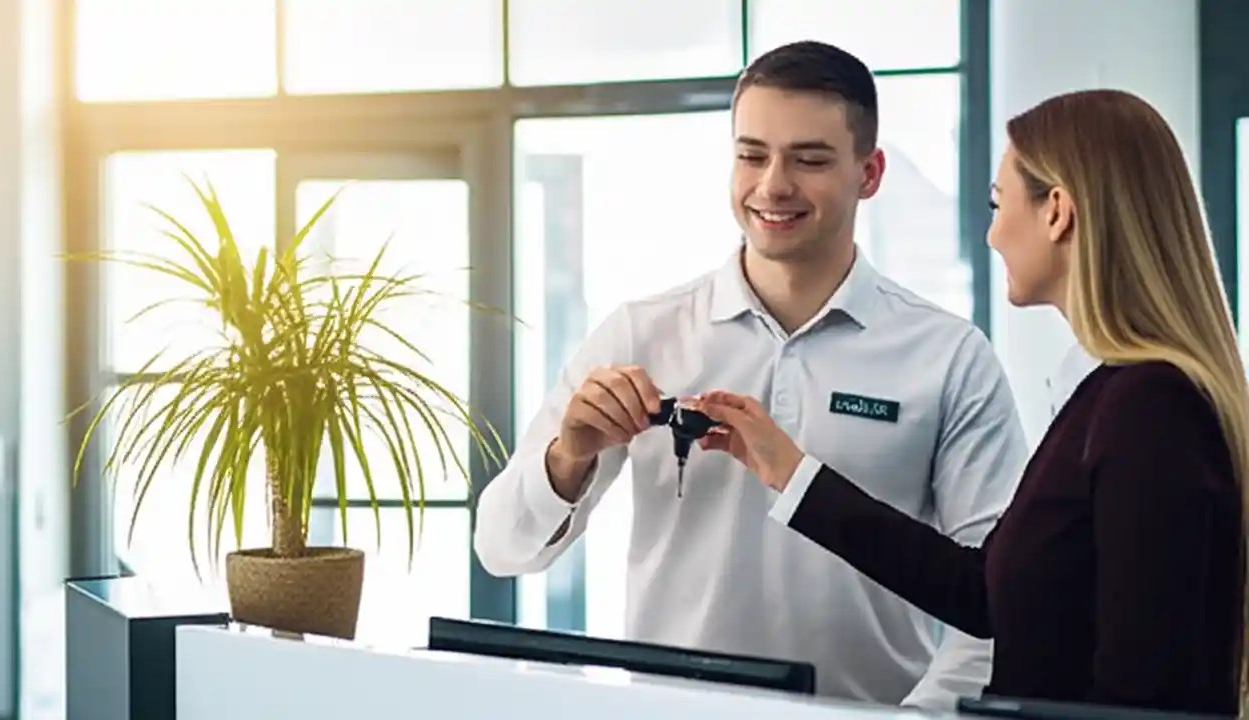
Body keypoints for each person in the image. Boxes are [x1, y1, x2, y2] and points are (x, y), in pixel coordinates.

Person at [472, 41, 1029, 710]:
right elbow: (502, 549)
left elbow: (1001, 603)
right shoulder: (639, 333)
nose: (772, 185)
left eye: (810, 159)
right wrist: (567, 458)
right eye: (752, 154)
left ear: (870, 172)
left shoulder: (950, 358)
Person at [694, 89, 1248, 716]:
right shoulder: (1111, 396)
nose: (991, 234)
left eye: (997, 202)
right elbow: (984, 593)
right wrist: (790, 472)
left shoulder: (1149, 408)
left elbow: (1140, 696)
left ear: (1058, 212)